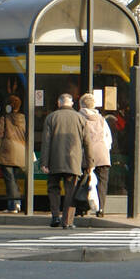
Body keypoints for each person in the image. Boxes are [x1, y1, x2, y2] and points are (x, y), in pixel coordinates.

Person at [40, 93, 91, 228]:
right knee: (71, 191)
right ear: (72, 103)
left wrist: (44, 162)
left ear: (59, 103)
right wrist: (90, 163)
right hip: (73, 161)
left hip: (54, 161)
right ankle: (67, 221)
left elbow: (46, 142)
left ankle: (55, 216)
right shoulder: (81, 119)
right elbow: (87, 143)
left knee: (53, 189)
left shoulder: (51, 117)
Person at [76, 93, 112, 218]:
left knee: (83, 180)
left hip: (85, 155)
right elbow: (108, 139)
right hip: (102, 154)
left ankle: (81, 208)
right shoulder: (102, 119)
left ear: (81, 105)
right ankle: (100, 209)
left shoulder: (79, 118)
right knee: (102, 182)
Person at [0, 94, 26, 212]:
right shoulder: (24, 119)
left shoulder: (4, 119)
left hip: (8, 152)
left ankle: (14, 205)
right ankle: (17, 203)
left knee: (10, 179)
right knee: (14, 179)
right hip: (21, 151)